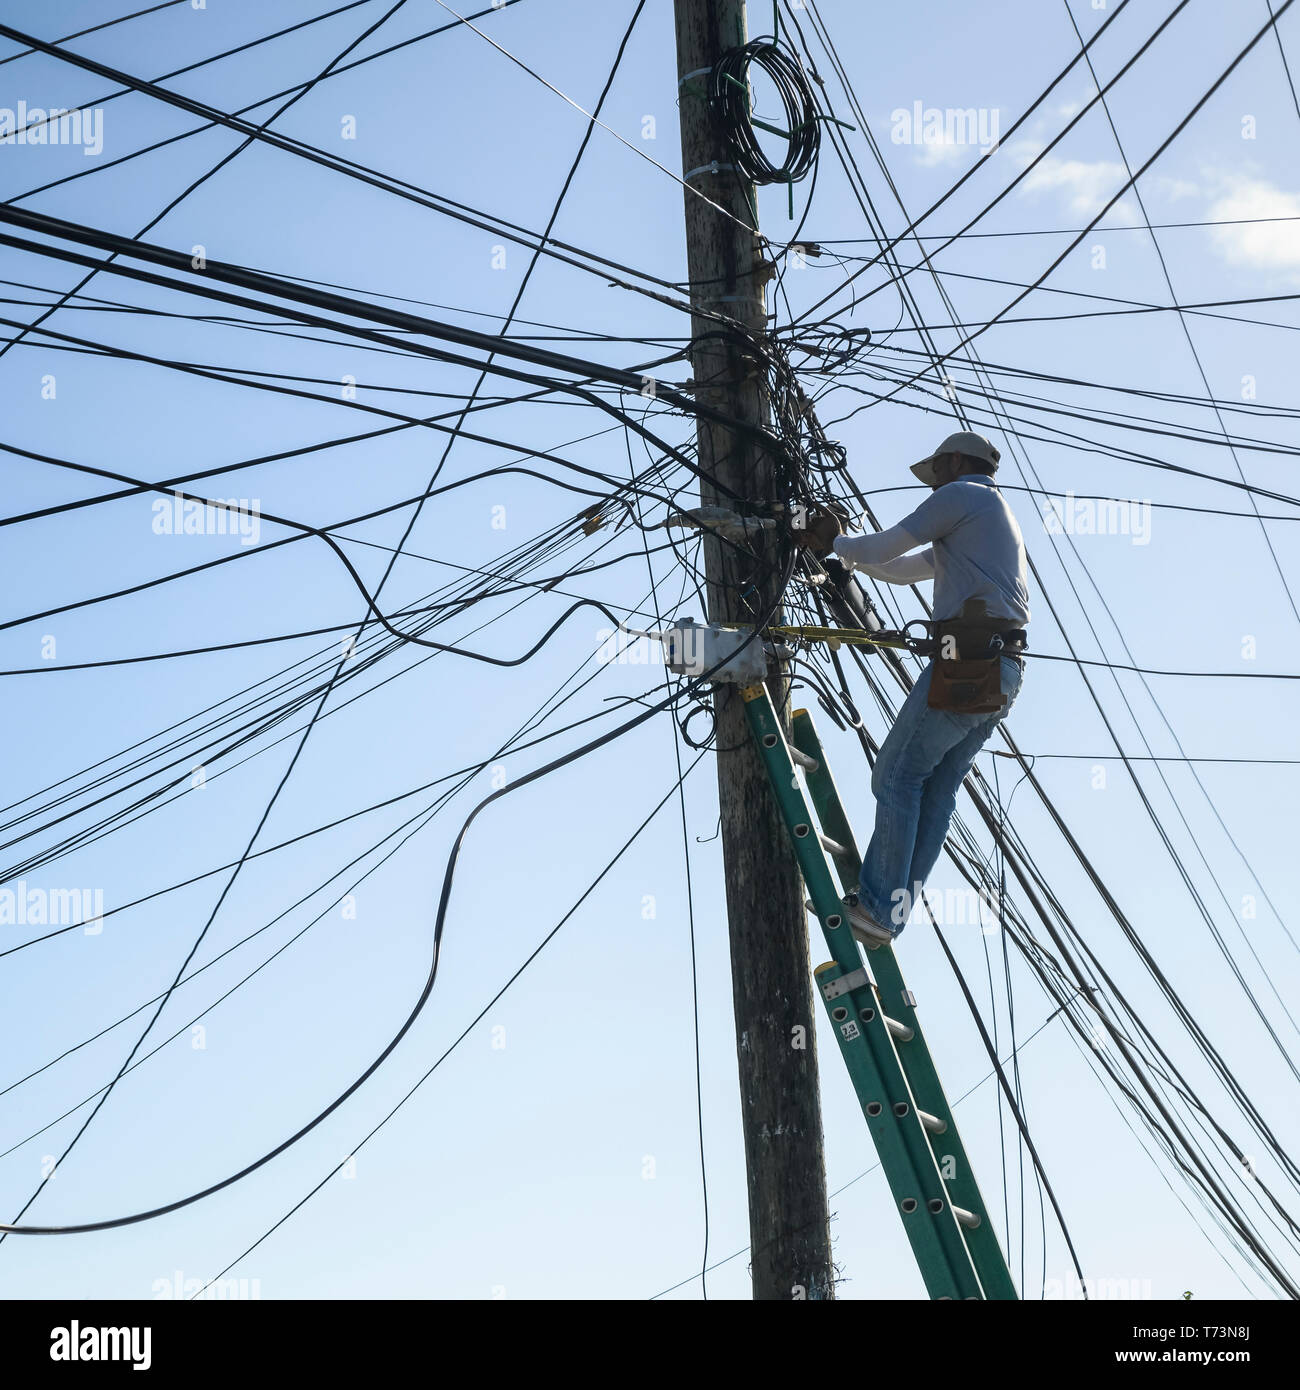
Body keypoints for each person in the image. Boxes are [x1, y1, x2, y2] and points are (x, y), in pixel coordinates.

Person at [794, 431, 1031, 947]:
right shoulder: (989, 519)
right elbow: (899, 570)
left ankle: (879, 907)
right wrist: (843, 552)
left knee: (897, 775)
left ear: (953, 462)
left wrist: (835, 540)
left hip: (968, 658)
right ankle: (891, 914)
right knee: (935, 787)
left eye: (936, 471)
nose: (933, 482)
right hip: (1003, 670)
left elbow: (889, 545)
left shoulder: (961, 497)